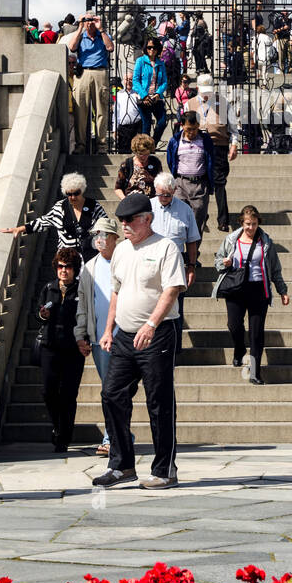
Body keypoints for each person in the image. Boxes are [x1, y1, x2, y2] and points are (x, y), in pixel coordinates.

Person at [93, 191, 186, 490]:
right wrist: (108, 330)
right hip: (124, 335)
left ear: (147, 219)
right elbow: (116, 292)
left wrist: (151, 324)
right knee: (112, 394)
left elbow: (172, 290)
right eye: (121, 221)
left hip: (157, 333)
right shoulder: (120, 251)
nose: (124, 225)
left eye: (130, 220)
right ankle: (122, 465)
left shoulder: (165, 247)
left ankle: (164, 469)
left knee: (158, 401)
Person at [213, 205, 288, 386]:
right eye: (247, 224)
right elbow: (217, 262)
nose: (251, 228)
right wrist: (224, 262)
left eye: (254, 224)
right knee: (234, 325)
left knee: (256, 333)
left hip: (258, 289)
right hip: (236, 288)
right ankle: (239, 349)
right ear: (241, 223)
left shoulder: (266, 242)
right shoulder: (231, 240)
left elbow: (275, 269)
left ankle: (255, 371)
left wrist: (282, 290)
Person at [75, 214, 121, 457]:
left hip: (124, 336)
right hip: (98, 338)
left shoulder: (125, 261)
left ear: (115, 238)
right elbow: (83, 303)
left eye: (104, 235)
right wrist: (81, 333)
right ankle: (112, 435)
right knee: (109, 389)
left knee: (116, 390)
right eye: (97, 235)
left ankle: (115, 435)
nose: (100, 239)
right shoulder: (89, 267)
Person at [36, 247, 85, 452]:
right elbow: (37, 314)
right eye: (60, 266)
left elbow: (87, 315)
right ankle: (57, 426)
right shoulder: (49, 287)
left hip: (73, 349)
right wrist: (43, 315)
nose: (63, 271)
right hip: (50, 346)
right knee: (48, 391)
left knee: (68, 394)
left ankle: (64, 436)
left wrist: (85, 339)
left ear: (75, 270)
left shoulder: (82, 289)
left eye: (68, 267)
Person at [3, 171, 106, 262]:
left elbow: (106, 226)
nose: (73, 197)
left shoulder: (93, 206)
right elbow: (43, 221)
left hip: (90, 257)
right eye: (69, 194)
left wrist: (100, 241)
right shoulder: (60, 207)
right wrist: (19, 229)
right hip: (66, 259)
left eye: (76, 193)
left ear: (82, 191)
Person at [150, 172, 200, 355]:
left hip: (176, 262)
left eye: (167, 195)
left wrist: (192, 266)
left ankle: (175, 349)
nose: (163, 198)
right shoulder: (148, 207)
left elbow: (192, 241)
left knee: (176, 306)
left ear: (174, 190)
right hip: (152, 262)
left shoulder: (184, 209)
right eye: (160, 194)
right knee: (152, 305)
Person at [186, 77, 239, 231]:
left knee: (220, 183)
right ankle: (202, 216)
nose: (207, 95)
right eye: (204, 92)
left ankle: (223, 220)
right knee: (200, 182)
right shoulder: (189, 104)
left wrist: (234, 145)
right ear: (197, 88)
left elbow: (233, 128)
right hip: (197, 145)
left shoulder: (223, 103)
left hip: (218, 145)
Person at [68, 13, 115, 152]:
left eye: (92, 20)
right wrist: (80, 27)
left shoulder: (103, 35)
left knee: (101, 110)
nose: (90, 23)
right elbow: (72, 47)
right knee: (80, 110)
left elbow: (110, 48)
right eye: (87, 20)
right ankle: (81, 145)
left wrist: (101, 29)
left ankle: (101, 145)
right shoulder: (81, 36)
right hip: (83, 73)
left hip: (100, 72)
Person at [167, 109, 215, 232]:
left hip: (199, 184)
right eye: (188, 129)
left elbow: (210, 160)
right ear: (182, 126)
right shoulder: (175, 141)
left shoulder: (205, 140)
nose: (191, 132)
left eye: (194, 129)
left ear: (199, 126)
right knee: (178, 219)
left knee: (198, 221)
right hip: (181, 183)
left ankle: (194, 250)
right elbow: (171, 161)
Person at [132, 36, 169, 146]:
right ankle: (145, 149)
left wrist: (158, 93)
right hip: (144, 98)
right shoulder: (141, 61)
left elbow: (164, 82)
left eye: (154, 47)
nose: (151, 50)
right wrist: (144, 95)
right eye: (149, 47)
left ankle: (152, 144)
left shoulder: (160, 63)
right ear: (145, 49)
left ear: (158, 49)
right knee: (146, 124)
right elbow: (136, 80)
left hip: (156, 98)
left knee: (162, 122)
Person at [113, 133, 162, 199]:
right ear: (135, 151)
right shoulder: (126, 165)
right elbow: (118, 188)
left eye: (147, 154)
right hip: (131, 203)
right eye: (140, 154)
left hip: (151, 203)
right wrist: (125, 200)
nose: (144, 157)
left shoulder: (155, 162)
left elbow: (161, 184)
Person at [114, 71, 143, 153]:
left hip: (136, 127)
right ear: (123, 81)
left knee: (137, 152)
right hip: (123, 128)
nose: (128, 82)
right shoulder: (119, 94)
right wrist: (114, 129)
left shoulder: (138, 93)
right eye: (126, 79)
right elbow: (116, 113)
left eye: (131, 79)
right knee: (123, 152)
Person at [272, 10, 290, 75]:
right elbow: (274, 31)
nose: (285, 14)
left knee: (289, 57)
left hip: (289, 39)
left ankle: (289, 72)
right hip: (281, 39)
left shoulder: (289, 21)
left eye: (286, 13)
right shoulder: (278, 22)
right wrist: (283, 28)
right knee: (281, 57)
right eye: (283, 13)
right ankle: (281, 72)